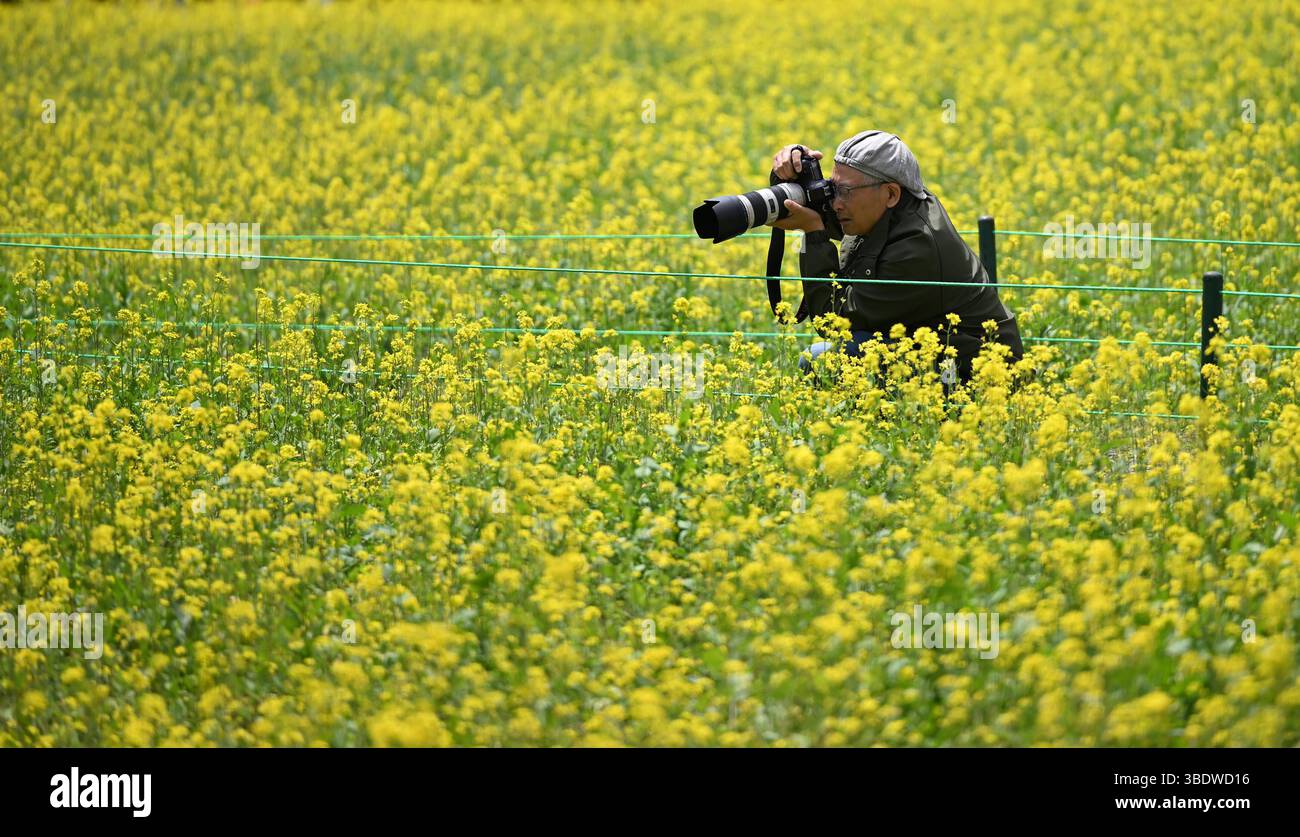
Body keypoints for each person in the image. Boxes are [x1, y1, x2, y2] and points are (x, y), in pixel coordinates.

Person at [768, 131, 1023, 385]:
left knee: (829, 358)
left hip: (978, 374)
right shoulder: (894, 206)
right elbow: (837, 215)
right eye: (833, 189)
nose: (836, 203)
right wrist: (801, 174)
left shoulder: (915, 248)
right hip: (932, 351)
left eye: (845, 191)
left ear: (891, 194)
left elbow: (833, 321)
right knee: (831, 357)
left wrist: (814, 234)